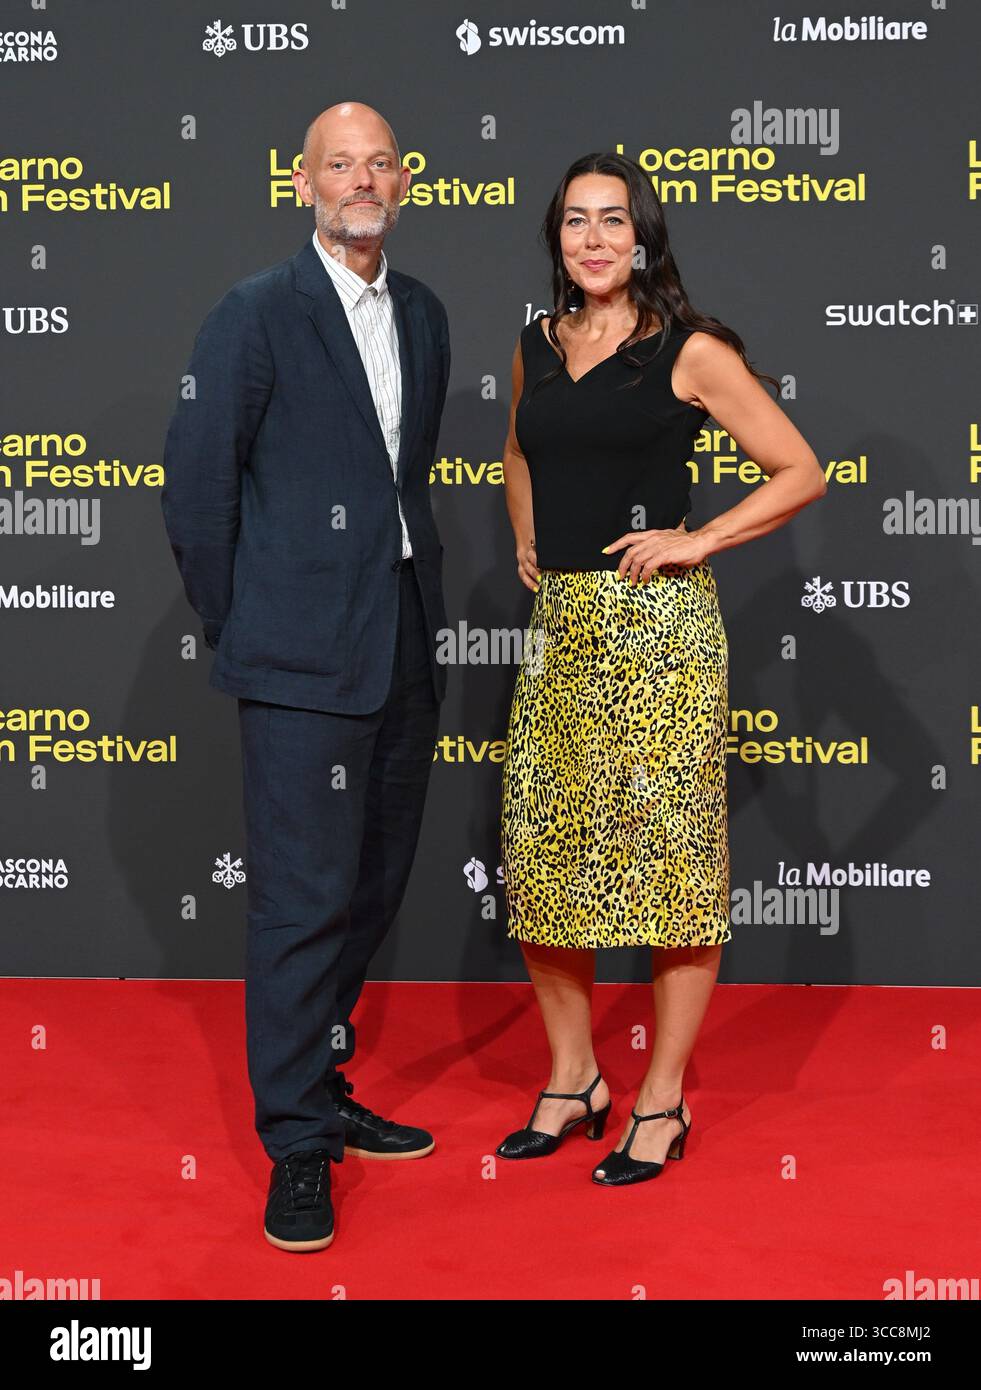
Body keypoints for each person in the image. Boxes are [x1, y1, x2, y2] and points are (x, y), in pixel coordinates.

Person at [497, 151, 825, 1186]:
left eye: (613, 220)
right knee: (547, 862)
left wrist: (700, 539)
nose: (593, 238)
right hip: (563, 633)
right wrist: (527, 543)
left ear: (643, 238)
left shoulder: (689, 349)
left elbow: (800, 469)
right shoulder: (535, 344)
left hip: (660, 635)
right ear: (557, 238)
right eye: (575, 221)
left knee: (673, 873)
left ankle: (663, 1095)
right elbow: (519, 449)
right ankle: (571, 1078)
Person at [161, 102, 451, 1249]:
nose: (361, 179)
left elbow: (400, 481)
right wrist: (254, 624)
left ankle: (323, 1086)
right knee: (299, 904)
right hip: (297, 663)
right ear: (303, 184)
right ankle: (294, 1143)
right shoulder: (255, 315)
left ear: (404, 181)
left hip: (399, 645)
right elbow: (198, 492)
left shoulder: (423, 313)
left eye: (379, 161)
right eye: (340, 163)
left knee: (370, 889)